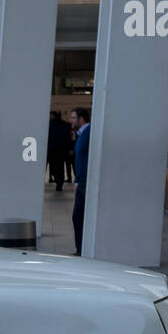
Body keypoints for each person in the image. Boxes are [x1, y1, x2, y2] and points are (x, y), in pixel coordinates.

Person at [69, 107, 90, 255]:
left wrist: (79, 180)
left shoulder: (88, 134)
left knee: (79, 216)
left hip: (85, 181)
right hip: (81, 181)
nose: (71, 120)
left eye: (73, 117)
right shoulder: (81, 134)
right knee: (78, 216)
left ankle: (82, 249)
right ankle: (80, 248)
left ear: (81, 119)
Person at [47, 110, 71, 191]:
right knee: (60, 167)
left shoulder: (49, 125)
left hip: (52, 150)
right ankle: (59, 182)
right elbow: (69, 138)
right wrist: (69, 148)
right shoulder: (66, 125)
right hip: (62, 150)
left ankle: (57, 179)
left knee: (53, 167)